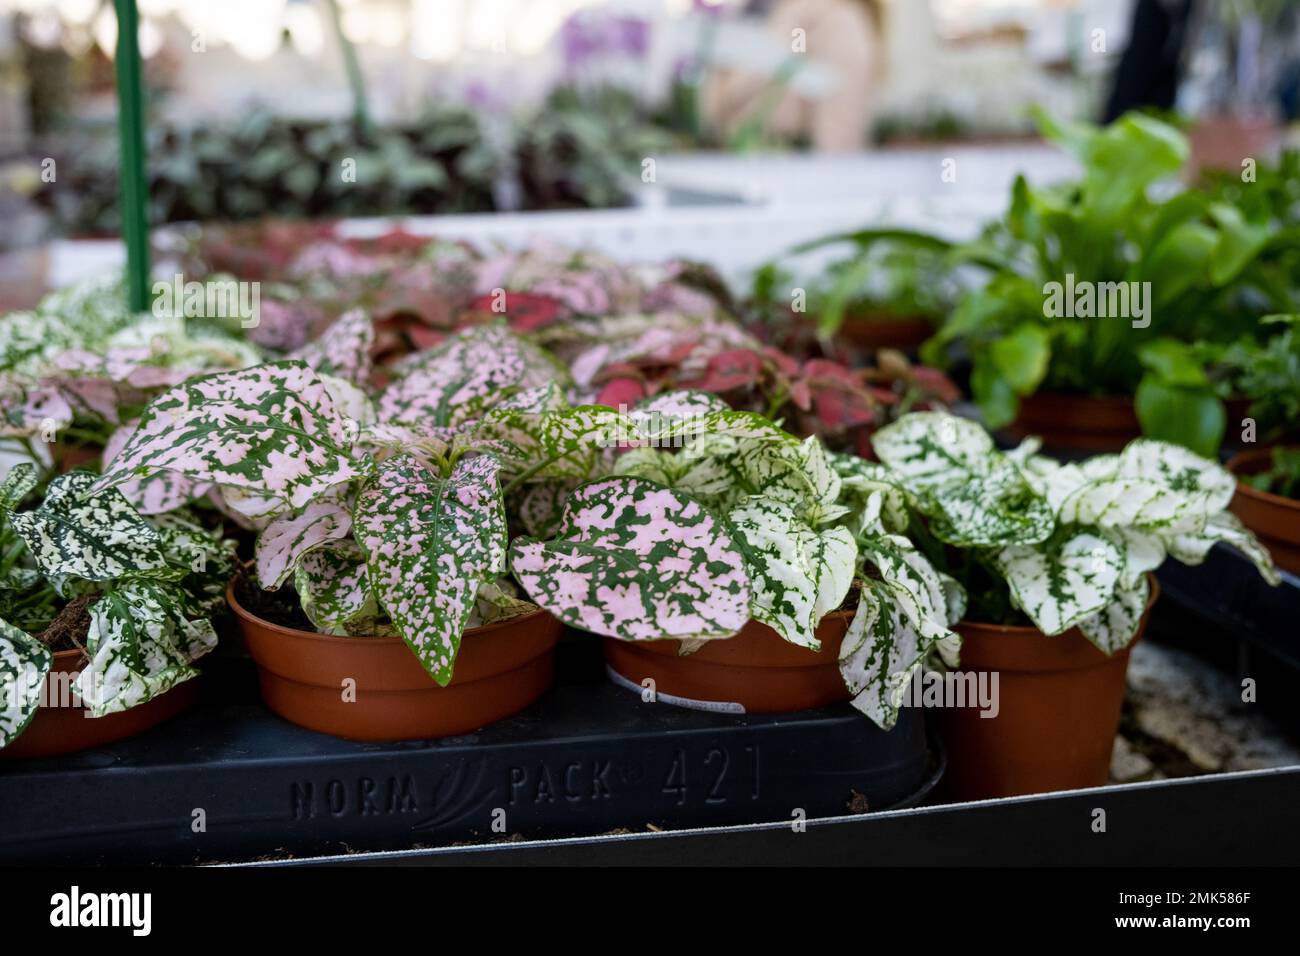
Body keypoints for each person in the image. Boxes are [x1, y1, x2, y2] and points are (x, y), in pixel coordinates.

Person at [701, 0, 883, 151]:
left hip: (787, 182)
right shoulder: (752, 12)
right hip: (735, 174)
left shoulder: (836, 20)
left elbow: (838, 139)